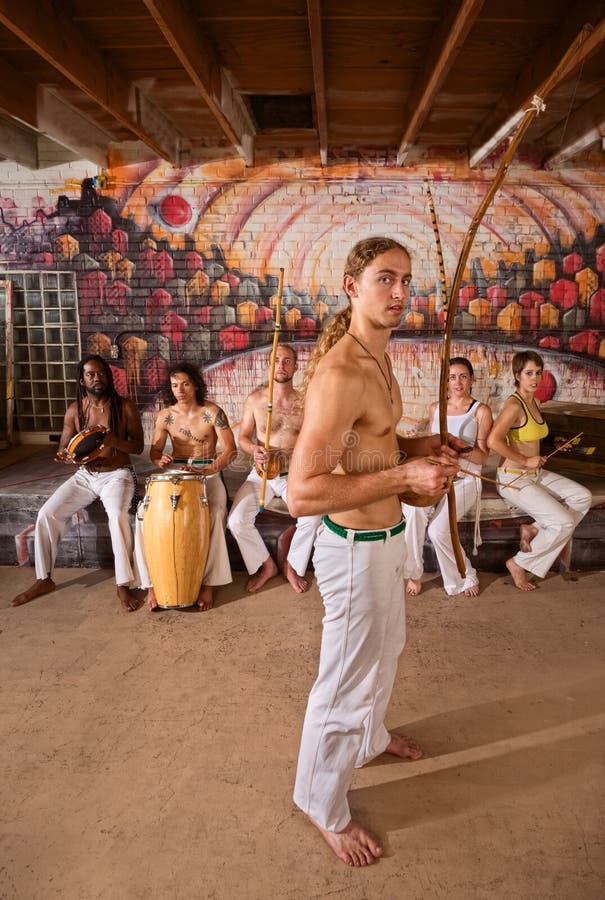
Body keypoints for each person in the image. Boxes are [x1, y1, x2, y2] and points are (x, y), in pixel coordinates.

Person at [286, 237, 461, 866]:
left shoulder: (380, 360)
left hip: (386, 542)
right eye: (384, 279)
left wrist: (419, 448)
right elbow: (302, 492)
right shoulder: (342, 373)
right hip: (353, 551)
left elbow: (374, 447)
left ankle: (368, 739)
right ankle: (322, 804)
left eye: (406, 282)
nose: (399, 293)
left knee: (386, 654)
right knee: (343, 683)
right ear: (351, 286)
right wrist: (404, 480)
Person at [12, 354, 144, 612]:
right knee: (46, 514)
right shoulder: (76, 410)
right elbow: (64, 445)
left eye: (101, 373)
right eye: (90, 374)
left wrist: (115, 441)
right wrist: (63, 454)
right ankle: (44, 579)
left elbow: (138, 446)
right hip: (85, 476)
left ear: (108, 376)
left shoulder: (124, 407)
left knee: (117, 516)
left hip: (117, 475)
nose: (97, 378)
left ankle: (123, 583)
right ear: (82, 380)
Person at [134, 363, 237, 611]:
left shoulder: (212, 412)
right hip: (176, 472)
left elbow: (230, 451)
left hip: (208, 472)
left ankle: (209, 583)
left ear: (196, 385)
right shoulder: (166, 416)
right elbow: (155, 451)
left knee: (216, 514)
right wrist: (160, 459)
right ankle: (151, 584)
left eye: (185, 384)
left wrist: (210, 469)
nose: (179, 389)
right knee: (142, 516)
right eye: (174, 385)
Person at [488, 350, 592, 591]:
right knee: (564, 523)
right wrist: (524, 461)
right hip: (514, 479)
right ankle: (518, 563)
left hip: (534, 474)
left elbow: (531, 436)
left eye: (538, 373)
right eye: (528, 373)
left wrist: (555, 442)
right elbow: (494, 441)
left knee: (582, 497)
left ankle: (535, 528)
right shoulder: (514, 405)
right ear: (517, 375)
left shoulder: (534, 401)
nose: (535, 378)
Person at [227, 344, 321, 594]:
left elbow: (314, 439)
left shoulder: (304, 402)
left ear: (295, 366)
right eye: (276, 360)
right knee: (236, 521)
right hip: (262, 474)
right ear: (270, 365)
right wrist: (253, 450)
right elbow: (244, 438)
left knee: (312, 518)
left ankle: (293, 565)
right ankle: (266, 565)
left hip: (294, 474)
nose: (281, 365)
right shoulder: (256, 400)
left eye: (287, 360)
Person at [403, 357, 493, 597]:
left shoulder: (481, 411)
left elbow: (483, 457)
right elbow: (430, 446)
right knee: (413, 512)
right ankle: (414, 571)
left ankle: (465, 575)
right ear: (446, 381)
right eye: (452, 377)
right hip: (438, 474)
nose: (458, 382)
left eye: (463, 376)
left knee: (438, 531)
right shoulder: (436, 408)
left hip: (466, 478)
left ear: (472, 379)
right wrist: (417, 440)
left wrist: (462, 446)